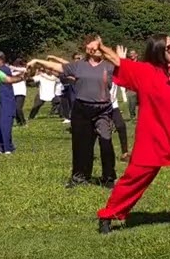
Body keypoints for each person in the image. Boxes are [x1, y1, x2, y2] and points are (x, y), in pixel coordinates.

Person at [92, 34, 170, 234]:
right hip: (152, 140)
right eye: (169, 47)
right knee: (134, 180)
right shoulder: (145, 72)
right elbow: (118, 61)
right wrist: (101, 46)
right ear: (157, 50)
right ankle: (109, 215)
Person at [30, 35, 118, 187]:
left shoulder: (109, 66)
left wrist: (106, 49)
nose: (98, 49)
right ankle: (80, 177)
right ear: (88, 49)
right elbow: (57, 68)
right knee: (81, 145)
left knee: (106, 142)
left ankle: (108, 178)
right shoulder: (78, 65)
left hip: (102, 110)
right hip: (82, 109)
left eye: (100, 46)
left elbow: (122, 64)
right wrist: (37, 61)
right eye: (95, 47)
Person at [0, 52, 18, 155]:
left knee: (5, 125)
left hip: (6, 101)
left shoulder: (4, 70)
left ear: (0, 60)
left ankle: (7, 147)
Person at [11, 59, 29, 127]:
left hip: (21, 92)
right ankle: (19, 122)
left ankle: (23, 122)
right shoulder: (12, 72)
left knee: (18, 108)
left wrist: (14, 68)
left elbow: (25, 70)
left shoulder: (23, 70)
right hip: (13, 92)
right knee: (14, 109)